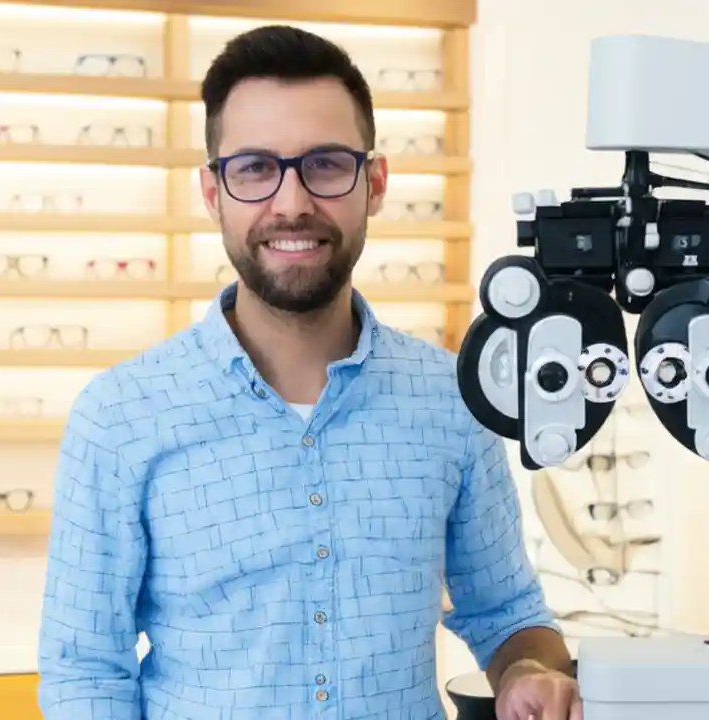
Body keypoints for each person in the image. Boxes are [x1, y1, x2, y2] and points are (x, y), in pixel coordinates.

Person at [36, 24, 581, 720]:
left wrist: (528, 671)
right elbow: (86, 671)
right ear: (212, 192)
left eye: (325, 164)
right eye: (255, 168)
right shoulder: (122, 415)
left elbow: (506, 613)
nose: (291, 203)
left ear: (374, 182)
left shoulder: (452, 400)